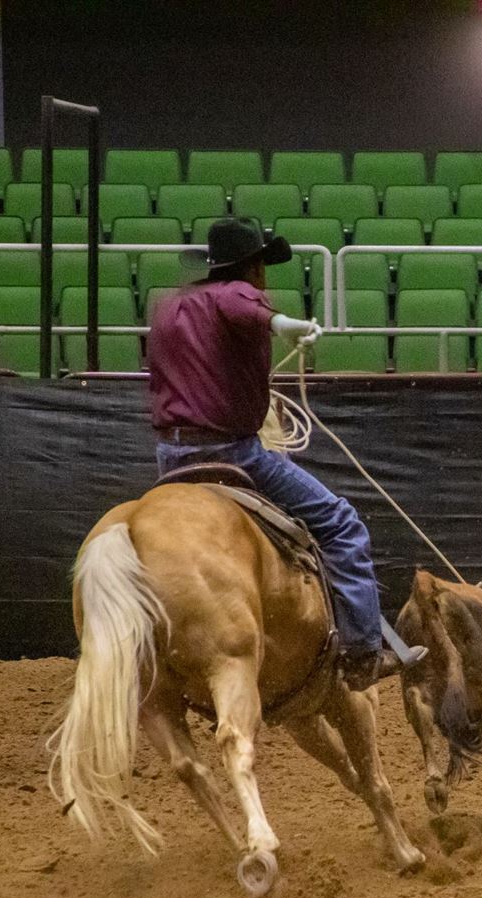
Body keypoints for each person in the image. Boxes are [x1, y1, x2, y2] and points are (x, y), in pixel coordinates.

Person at [149, 217, 411, 689]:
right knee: (341, 524)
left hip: (170, 456)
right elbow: (244, 306)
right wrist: (286, 325)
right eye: (262, 265)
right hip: (233, 453)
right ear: (252, 267)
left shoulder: (170, 306)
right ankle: (361, 652)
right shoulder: (235, 293)